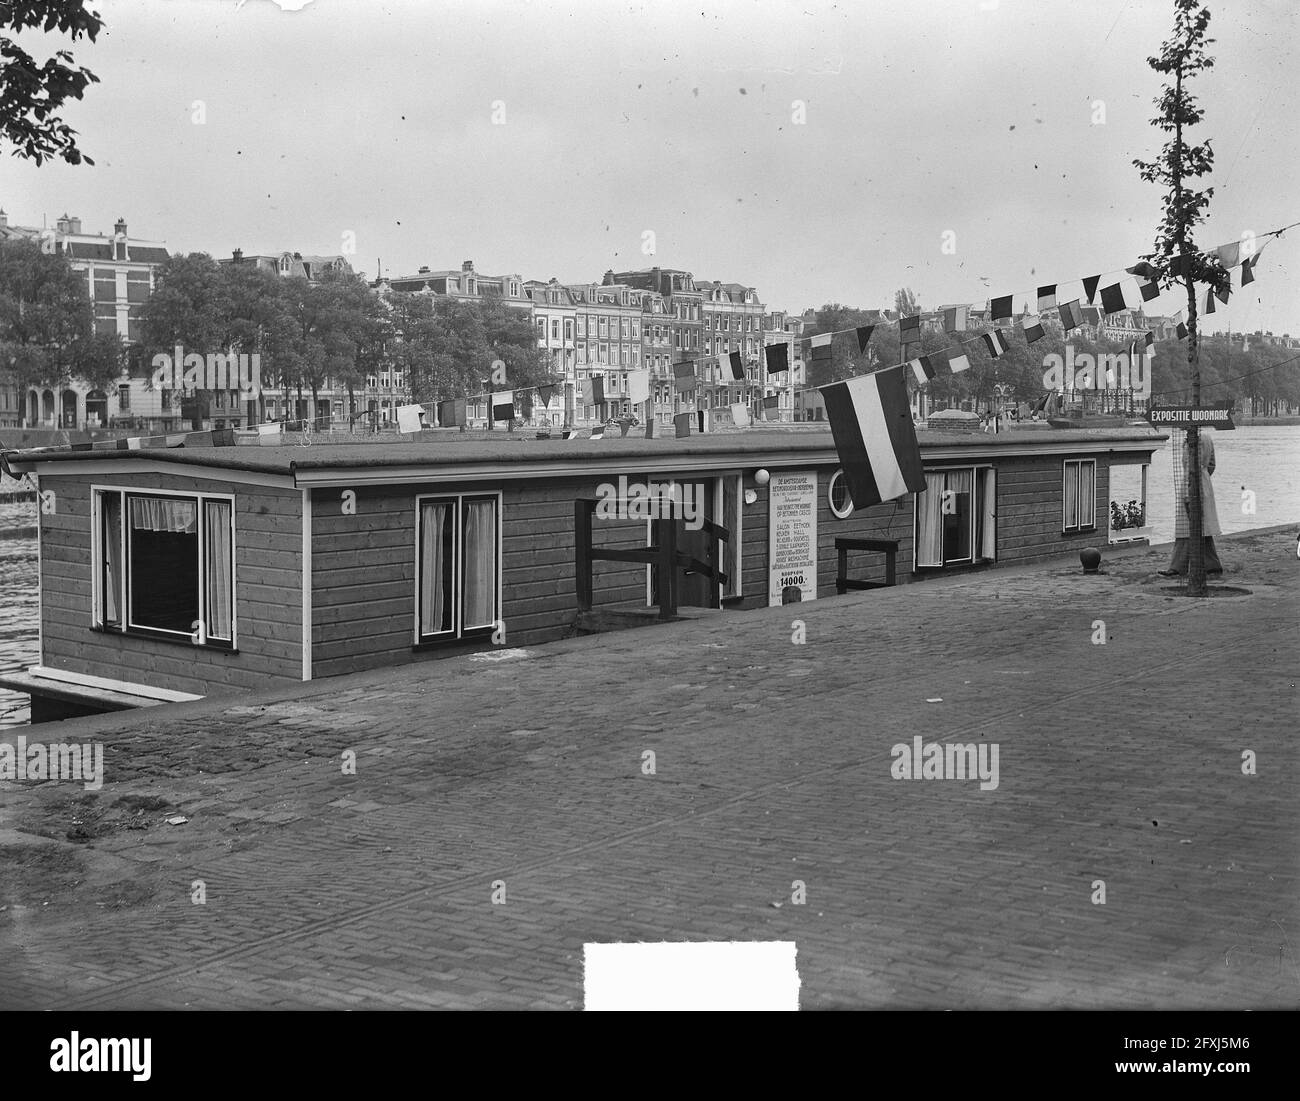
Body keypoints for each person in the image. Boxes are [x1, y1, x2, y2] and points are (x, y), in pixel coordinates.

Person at [1159, 429, 1222, 576]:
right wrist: (1204, 476)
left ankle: (1177, 567)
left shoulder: (1190, 441)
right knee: (1203, 528)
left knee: (1184, 529)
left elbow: (1189, 468)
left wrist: (1187, 494)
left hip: (1191, 484)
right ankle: (1212, 565)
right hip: (1205, 483)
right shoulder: (1207, 438)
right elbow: (1212, 464)